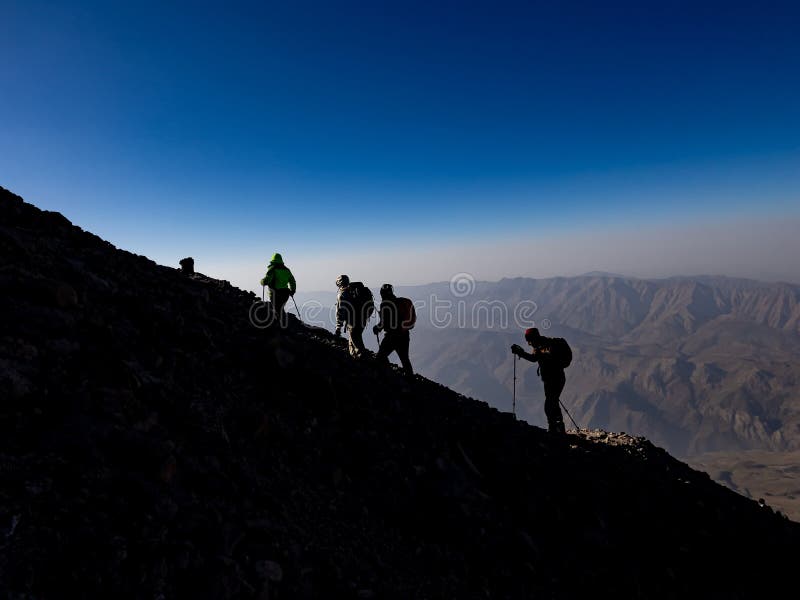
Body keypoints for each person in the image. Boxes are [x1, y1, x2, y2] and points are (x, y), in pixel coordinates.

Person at [511, 328, 571, 434]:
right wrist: (521, 352)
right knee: (553, 402)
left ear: (534, 337)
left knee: (550, 404)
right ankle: (557, 428)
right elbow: (534, 358)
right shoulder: (540, 345)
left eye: (529, 340)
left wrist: (521, 353)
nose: (529, 343)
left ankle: (555, 428)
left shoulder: (545, 346)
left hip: (555, 379)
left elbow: (535, 358)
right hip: (553, 379)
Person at [373, 283, 415, 375]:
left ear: (382, 294)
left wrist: (377, 328)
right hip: (404, 335)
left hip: (391, 337)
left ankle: (386, 376)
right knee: (405, 359)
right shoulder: (401, 302)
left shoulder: (385, 305)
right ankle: (411, 381)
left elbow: (384, 323)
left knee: (380, 357)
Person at [334, 275, 374, 357]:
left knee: (357, 344)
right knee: (353, 340)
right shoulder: (355, 291)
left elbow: (340, 312)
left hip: (352, 323)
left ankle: (364, 362)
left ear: (338, 284)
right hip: (362, 320)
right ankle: (354, 358)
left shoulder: (342, 295)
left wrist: (338, 328)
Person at [260, 253, 296, 322]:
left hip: (275, 294)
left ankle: (280, 325)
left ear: (272, 261)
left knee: (277, 309)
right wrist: (292, 291)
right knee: (280, 308)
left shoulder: (272, 269)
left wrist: (262, 281)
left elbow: (267, 280)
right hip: (285, 294)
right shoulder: (287, 270)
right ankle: (283, 323)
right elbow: (292, 281)